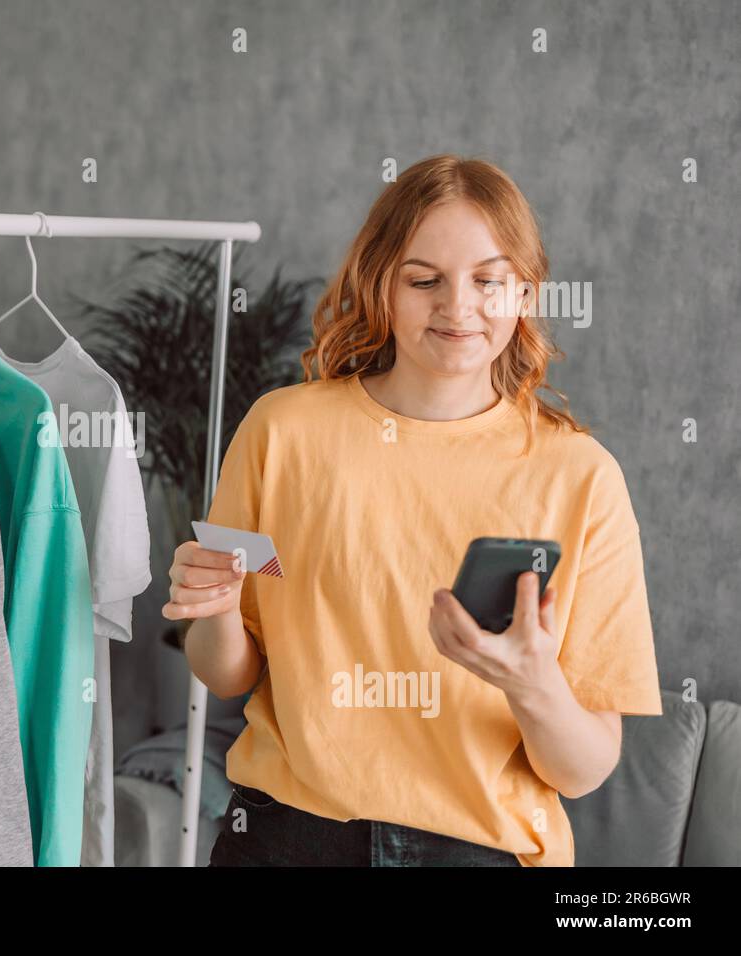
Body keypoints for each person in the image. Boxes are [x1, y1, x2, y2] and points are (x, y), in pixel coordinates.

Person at [167, 154, 663, 867]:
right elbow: (229, 673)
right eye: (424, 280)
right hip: (289, 838)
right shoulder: (282, 432)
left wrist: (531, 682)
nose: (458, 308)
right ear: (381, 287)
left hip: (479, 853)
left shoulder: (581, 478)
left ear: (523, 293)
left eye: (489, 281)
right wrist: (213, 606)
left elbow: (582, 769)